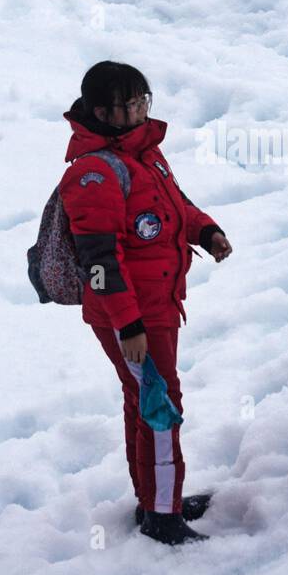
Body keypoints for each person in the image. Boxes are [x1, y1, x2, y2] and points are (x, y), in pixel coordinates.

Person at [58, 61, 233, 544]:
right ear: (101, 111)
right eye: (127, 104)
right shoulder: (94, 174)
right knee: (160, 405)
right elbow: (99, 260)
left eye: (142, 101)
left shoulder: (145, 155)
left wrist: (206, 230)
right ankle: (162, 516)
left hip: (157, 304)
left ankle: (157, 498)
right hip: (131, 313)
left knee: (145, 402)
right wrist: (128, 323)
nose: (138, 111)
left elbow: (174, 205)